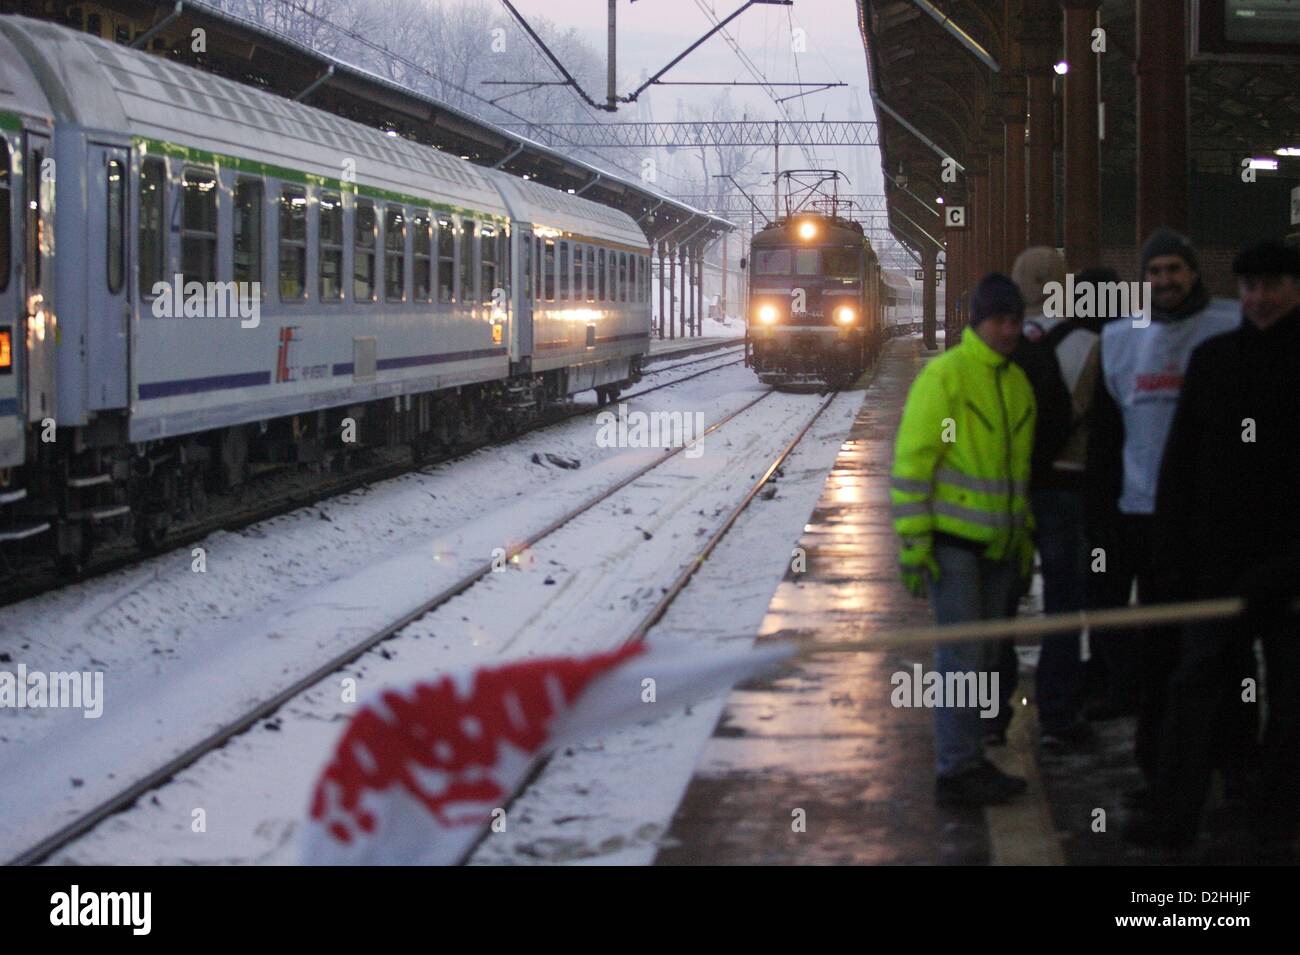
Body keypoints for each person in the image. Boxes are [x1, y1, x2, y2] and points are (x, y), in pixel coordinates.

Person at [1130, 240, 1300, 851]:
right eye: (1250, 286)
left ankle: (1274, 821)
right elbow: (1181, 466)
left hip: (1289, 578)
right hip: (1217, 568)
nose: (1259, 298)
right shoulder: (1214, 359)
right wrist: (1172, 557)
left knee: (1290, 705)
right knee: (1195, 692)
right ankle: (1175, 816)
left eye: (1273, 284)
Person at [1085, 228, 1240, 801]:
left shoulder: (1228, 328)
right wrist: (1103, 517)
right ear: (1143, 279)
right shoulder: (1121, 341)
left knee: (1220, 653)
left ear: (1194, 273)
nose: (1166, 281)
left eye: (1175, 269)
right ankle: (1163, 772)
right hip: (1145, 519)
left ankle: (1228, 768)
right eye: (1156, 272)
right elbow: (1108, 435)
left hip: (1217, 522)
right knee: (1162, 651)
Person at [891, 273, 1036, 806]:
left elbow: (1016, 472)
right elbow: (912, 462)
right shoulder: (947, 376)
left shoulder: (1015, 382)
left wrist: (1022, 537)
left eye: (1015, 320)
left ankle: (969, 756)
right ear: (979, 322)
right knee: (961, 659)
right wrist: (913, 540)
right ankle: (956, 769)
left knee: (984, 655)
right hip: (952, 547)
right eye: (999, 320)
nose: (1008, 330)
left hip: (999, 549)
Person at [1011, 247, 1100, 752]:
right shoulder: (1091, 341)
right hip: (1069, 485)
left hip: (1010, 491)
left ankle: (988, 715)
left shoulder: (1000, 342)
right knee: (1065, 603)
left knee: (1002, 599)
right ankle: (1059, 713)